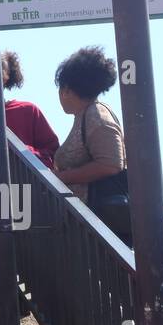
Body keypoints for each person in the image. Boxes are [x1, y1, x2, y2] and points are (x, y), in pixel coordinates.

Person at [51, 46, 129, 242]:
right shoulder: (86, 115)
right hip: (90, 225)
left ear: (66, 89)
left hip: (101, 227)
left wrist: (61, 178)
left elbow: (111, 164)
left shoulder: (96, 115)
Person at [0, 50, 59, 167]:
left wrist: (18, 152)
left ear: (3, 78)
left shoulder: (27, 111)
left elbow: (55, 157)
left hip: (24, 183)